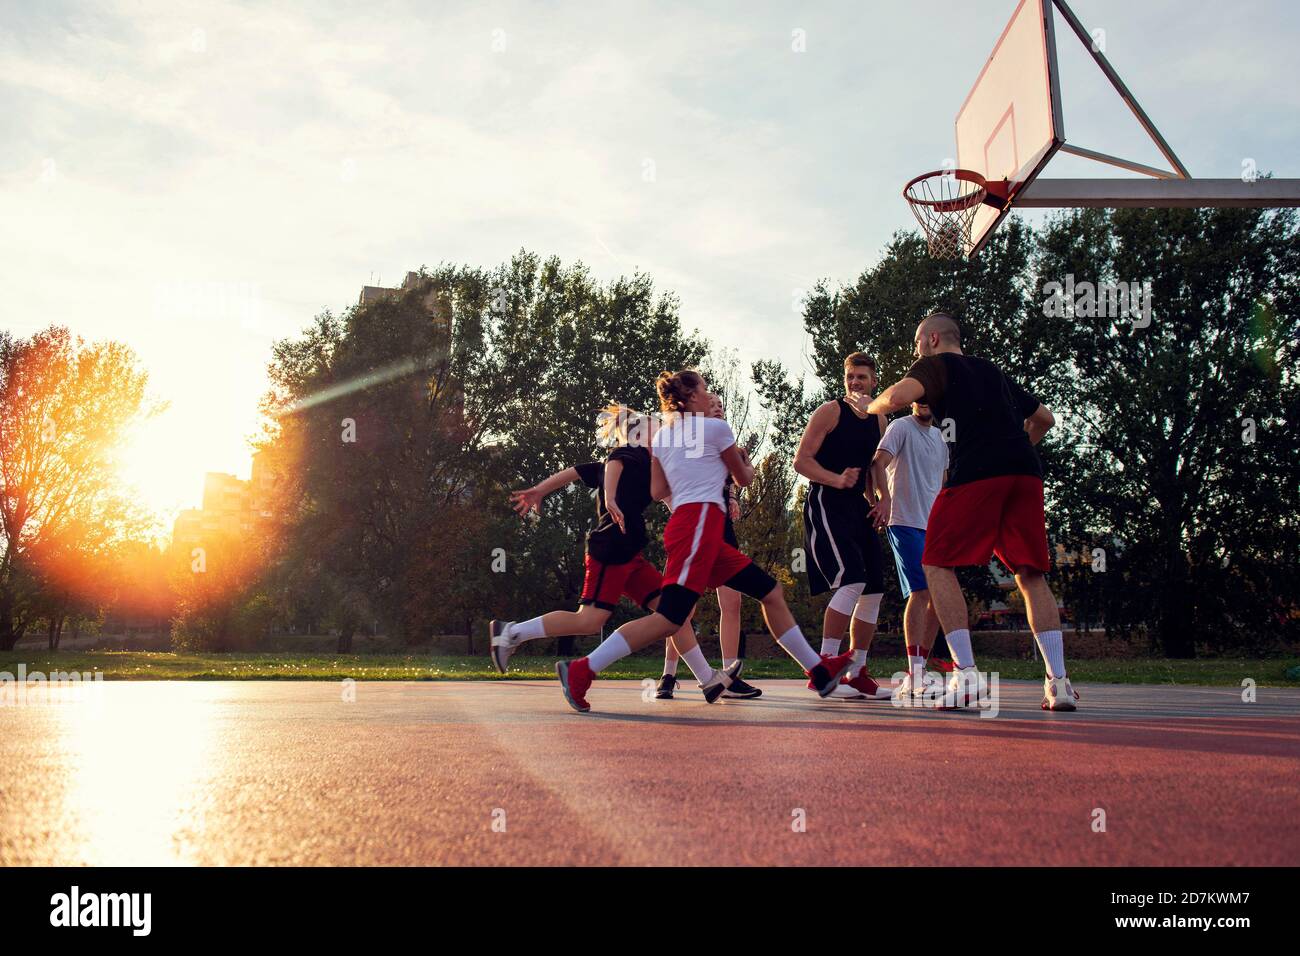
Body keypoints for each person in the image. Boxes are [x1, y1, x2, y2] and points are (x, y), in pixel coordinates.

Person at [555, 370, 853, 713]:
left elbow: (657, 491)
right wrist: (741, 461)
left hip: (697, 527)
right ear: (691, 397)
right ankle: (581, 670)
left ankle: (819, 671)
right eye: (705, 390)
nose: (710, 395)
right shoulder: (715, 429)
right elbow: (742, 479)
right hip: (698, 525)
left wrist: (692, 472)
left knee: (770, 591)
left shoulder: (664, 438)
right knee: (668, 618)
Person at [868, 313, 1078, 711]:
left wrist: (870, 404)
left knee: (935, 563)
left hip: (978, 473)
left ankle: (966, 675)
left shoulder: (935, 366)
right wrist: (1018, 451)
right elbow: (1044, 419)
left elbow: (896, 398)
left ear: (931, 338)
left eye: (916, 342)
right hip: (1025, 473)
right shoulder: (993, 371)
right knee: (1030, 574)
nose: (916, 350)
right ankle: (1059, 683)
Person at [490, 406, 732, 702]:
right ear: (640, 436)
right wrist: (609, 497)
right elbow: (615, 460)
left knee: (672, 613)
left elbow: (575, 472)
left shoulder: (650, 465)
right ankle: (512, 632)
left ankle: (707, 679)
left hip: (630, 555)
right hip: (610, 549)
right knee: (590, 621)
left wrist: (540, 490)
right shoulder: (631, 454)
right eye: (660, 428)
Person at [793, 352, 892, 700]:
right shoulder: (830, 411)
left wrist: (883, 498)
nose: (855, 383)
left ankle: (856, 670)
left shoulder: (880, 420)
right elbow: (800, 461)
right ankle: (824, 666)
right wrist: (836, 479)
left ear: (874, 381)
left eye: (862, 377)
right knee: (852, 579)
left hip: (857, 506)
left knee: (874, 590)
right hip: (826, 500)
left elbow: (875, 466)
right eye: (850, 377)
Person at [657, 394, 761, 701]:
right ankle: (668, 673)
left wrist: (734, 496)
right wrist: (681, 509)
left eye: (721, 406)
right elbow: (665, 488)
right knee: (680, 608)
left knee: (733, 604)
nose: (718, 408)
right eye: (712, 404)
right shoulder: (684, 443)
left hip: (721, 529)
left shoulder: (724, 445)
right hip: (691, 528)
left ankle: (730, 675)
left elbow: (735, 483)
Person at [869, 401, 948, 700]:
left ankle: (919, 671)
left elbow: (941, 486)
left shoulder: (941, 440)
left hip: (933, 526)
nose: (925, 400)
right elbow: (878, 462)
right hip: (903, 520)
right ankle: (914, 674)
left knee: (940, 597)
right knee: (921, 592)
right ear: (912, 399)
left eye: (930, 394)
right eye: (919, 394)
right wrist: (883, 499)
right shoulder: (900, 427)